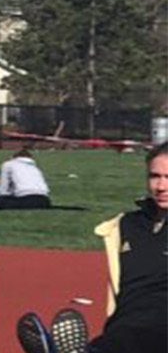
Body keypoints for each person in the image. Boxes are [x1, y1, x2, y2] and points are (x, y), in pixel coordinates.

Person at [15, 142, 167, 353]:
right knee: (115, 340)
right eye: (154, 176)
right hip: (122, 329)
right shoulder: (127, 225)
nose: (160, 186)